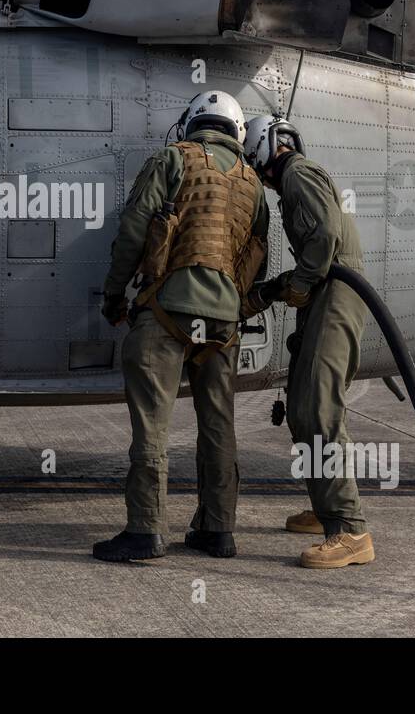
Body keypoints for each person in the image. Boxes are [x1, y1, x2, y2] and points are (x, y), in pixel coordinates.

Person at [94, 91, 269, 562]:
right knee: (218, 424)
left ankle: (146, 530)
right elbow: (257, 257)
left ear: (191, 124)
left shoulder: (171, 159)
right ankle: (218, 530)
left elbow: (134, 229)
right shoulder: (253, 182)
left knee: (153, 424)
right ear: (235, 131)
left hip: (166, 312)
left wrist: (114, 296)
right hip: (224, 323)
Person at [242, 115, 373, 568]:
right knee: (301, 406)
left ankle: (349, 530)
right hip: (324, 295)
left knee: (318, 408)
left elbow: (324, 236)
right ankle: (325, 510)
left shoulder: (298, 173)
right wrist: (276, 290)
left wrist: (297, 283)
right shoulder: (298, 177)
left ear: (261, 148)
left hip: (335, 295)